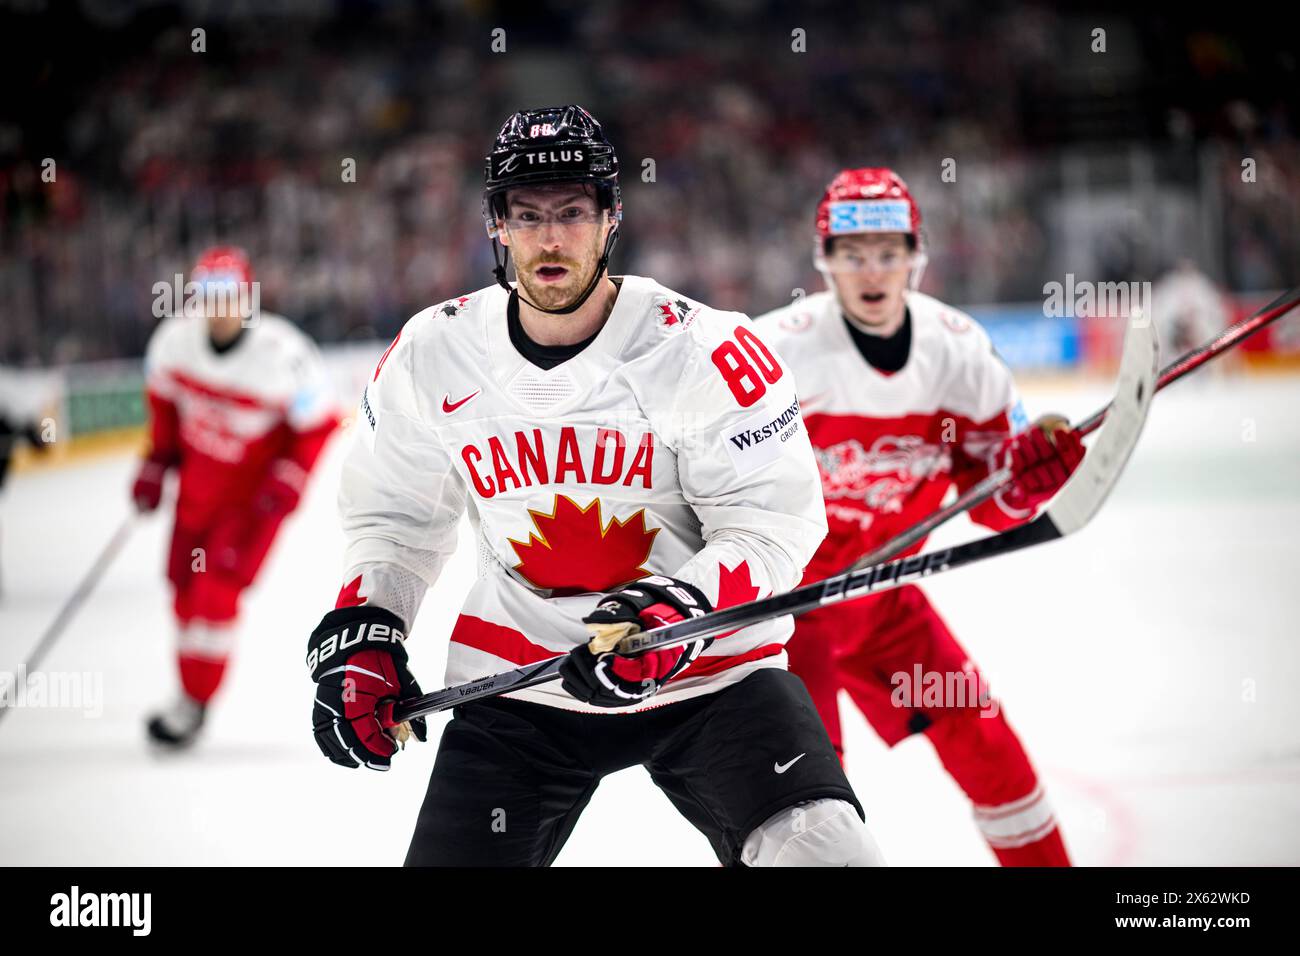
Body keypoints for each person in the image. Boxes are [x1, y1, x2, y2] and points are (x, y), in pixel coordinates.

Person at [306, 105, 884, 867]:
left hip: (712, 674)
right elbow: (396, 520)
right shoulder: (433, 352)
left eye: (574, 212)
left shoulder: (703, 348)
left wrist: (682, 613)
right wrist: (368, 629)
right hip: (521, 684)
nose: (551, 238)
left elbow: (772, 525)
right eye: (528, 214)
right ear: (498, 226)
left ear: (611, 219)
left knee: (831, 856)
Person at [755, 168, 1083, 866]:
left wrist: (1027, 486)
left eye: (887, 252)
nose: (871, 271)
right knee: (809, 808)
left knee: (993, 751)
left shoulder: (960, 354)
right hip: (789, 614)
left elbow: (994, 501)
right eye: (852, 254)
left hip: (884, 603)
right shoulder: (775, 352)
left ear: (916, 256)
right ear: (825, 262)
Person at [133, 246, 337, 746]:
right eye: (207, 294)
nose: (217, 306)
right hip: (196, 498)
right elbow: (164, 409)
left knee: (216, 594)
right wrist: (156, 462)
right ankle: (187, 693)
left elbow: (317, 424)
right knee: (183, 590)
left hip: (250, 507)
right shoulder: (175, 343)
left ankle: (196, 703)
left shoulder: (283, 353)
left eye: (228, 295)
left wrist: (289, 478)